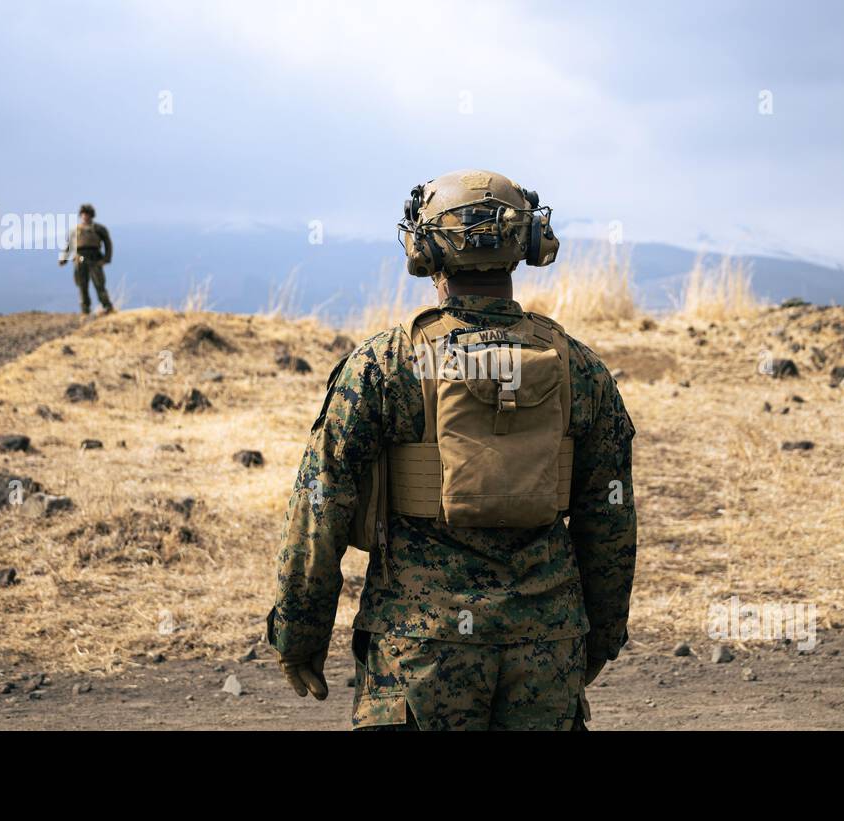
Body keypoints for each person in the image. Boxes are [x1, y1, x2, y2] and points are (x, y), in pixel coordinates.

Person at [268, 169, 637, 730]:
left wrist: (299, 636)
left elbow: (320, 507)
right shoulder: (579, 368)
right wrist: (599, 639)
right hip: (546, 646)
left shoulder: (383, 365)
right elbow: (608, 520)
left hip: (418, 654)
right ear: (528, 246)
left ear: (424, 250)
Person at [59, 203, 114, 315]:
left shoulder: (99, 229)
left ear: (91, 215)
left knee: (99, 284)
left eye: (87, 214)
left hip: (95, 258)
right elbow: (68, 245)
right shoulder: (75, 230)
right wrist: (63, 258)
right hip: (80, 258)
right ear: (81, 215)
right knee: (82, 285)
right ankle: (85, 309)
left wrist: (106, 259)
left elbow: (108, 244)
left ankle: (107, 306)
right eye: (83, 214)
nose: (85, 216)